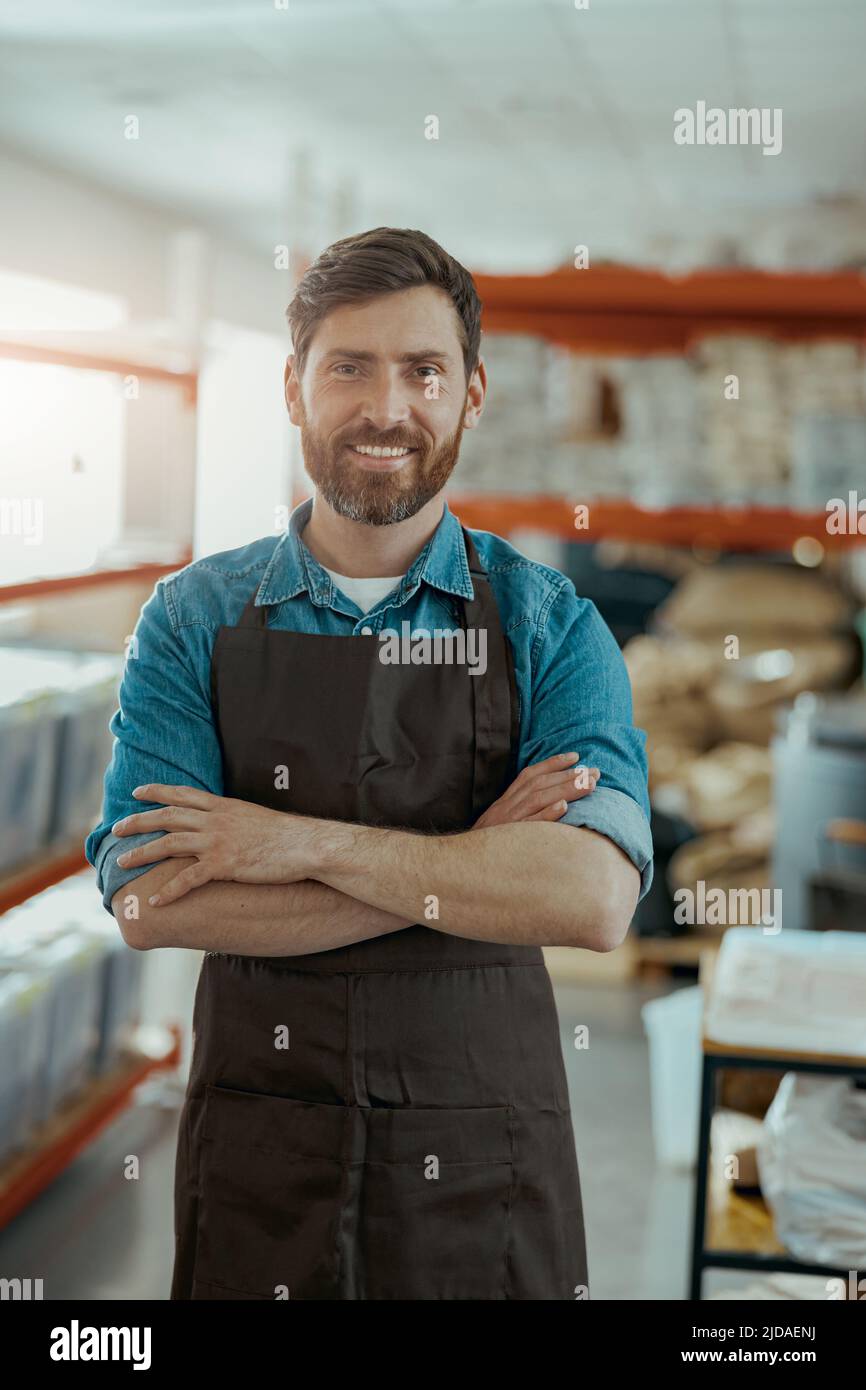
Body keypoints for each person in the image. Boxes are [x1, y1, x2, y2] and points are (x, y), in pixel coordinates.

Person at [85, 226, 653, 1301]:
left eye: (422, 370)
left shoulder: (548, 628)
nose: (385, 407)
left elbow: (589, 898)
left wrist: (287, 844)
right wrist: (470, 863)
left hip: (482, 1150)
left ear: (470, 394)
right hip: (264, 1140)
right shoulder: (193, 618)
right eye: (348, 366)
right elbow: (153, 903)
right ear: (293, 388)